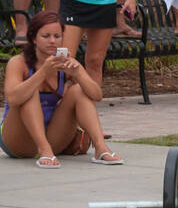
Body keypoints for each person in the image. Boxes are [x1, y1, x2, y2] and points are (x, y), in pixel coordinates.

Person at [1, 10, 120, 165]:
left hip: (51, 136)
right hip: (17, 139)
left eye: (57, 36)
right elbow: (12, 98)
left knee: (78, 90)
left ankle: (101, 148)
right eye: (46, 36)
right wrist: (43, 72)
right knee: (29, 90)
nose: (52, 41)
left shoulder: (65, 63)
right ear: (34, 38)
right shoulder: (18, 62)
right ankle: (44, 151)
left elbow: (97, 96)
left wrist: (78, 74)